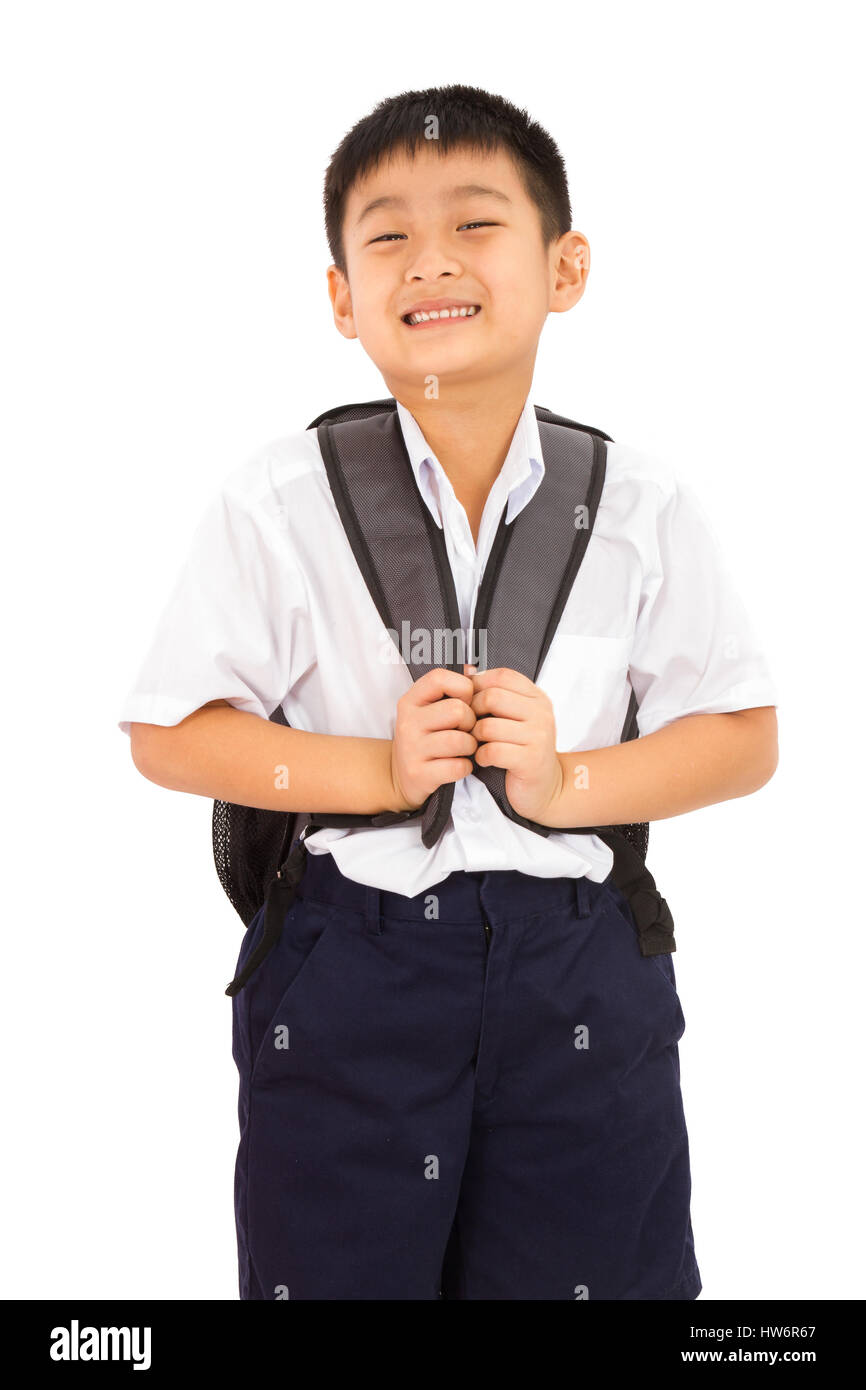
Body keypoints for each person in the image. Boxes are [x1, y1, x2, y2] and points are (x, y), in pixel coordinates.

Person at [117, 84, 779, 1300]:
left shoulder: (639, 504)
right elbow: (166, 733)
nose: (431, 261)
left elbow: (740, 738)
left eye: (475, 224)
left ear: (562, 265)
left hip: (581, 968)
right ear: (339, 296)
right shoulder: (276, 498)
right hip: (345, 969)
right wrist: (367, 771)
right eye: (385, 237)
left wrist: (570, 779)